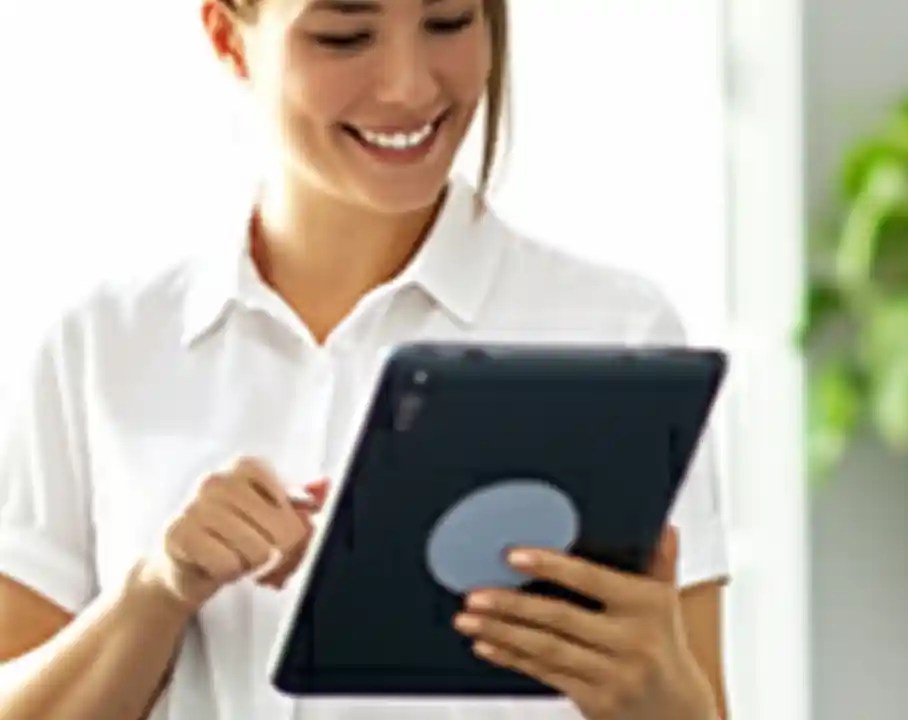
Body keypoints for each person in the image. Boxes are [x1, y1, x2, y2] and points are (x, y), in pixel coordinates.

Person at [0, 0, 731, 718]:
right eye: (344, 36)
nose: (409, 86)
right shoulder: (103, 345)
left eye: (448, 23)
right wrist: (158, 589)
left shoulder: (618, 337)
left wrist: (655, 696)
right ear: (229, 38)